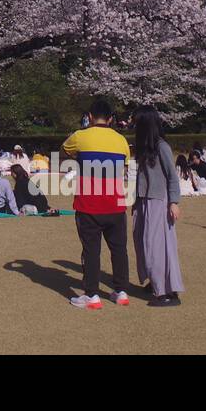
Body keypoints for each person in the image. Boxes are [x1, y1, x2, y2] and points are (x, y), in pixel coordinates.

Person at [61, 99, 131, 309]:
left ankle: (91, 295)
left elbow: (63, 151)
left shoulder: (80, 136)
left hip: (88, 203)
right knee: (119, 249)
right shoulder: (121, 141)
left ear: (89, 117)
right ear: (111, 119)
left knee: (91, 250)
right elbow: (124, 168)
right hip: (116, 203)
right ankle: (121, 291)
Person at [132, 108, 183, 307]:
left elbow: (172, 176)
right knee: (143, 242)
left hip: (158, 201)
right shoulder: (146, 148)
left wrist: (174, 202)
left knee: (157, 246)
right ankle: (156, 281)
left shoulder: (162, 147)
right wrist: (137, 201)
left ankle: (165, 292)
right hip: (145, 201)